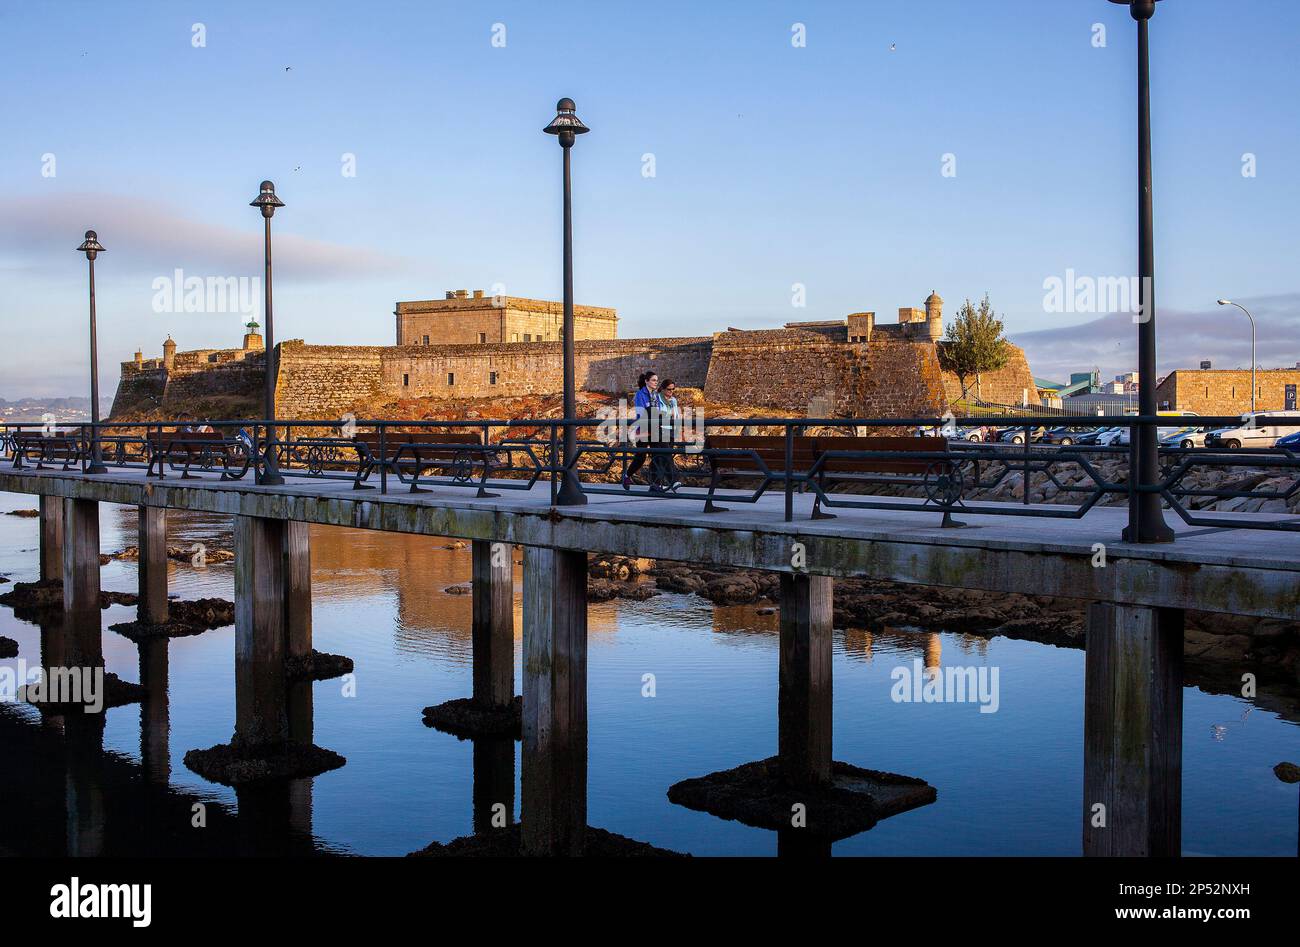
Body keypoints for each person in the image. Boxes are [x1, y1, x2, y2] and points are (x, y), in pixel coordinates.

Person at [623, 371, 670, 491]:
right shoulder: (640, 394)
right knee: (641, 457)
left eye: (657, 380)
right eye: (653, 380)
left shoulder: (656, 395)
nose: (656, 382)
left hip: (654, 428)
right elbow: (641, 412)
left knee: (657, 455)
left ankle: (655, 484)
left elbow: (658, 411)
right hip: (642, 429)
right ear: (646, 381)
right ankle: (627, 475)